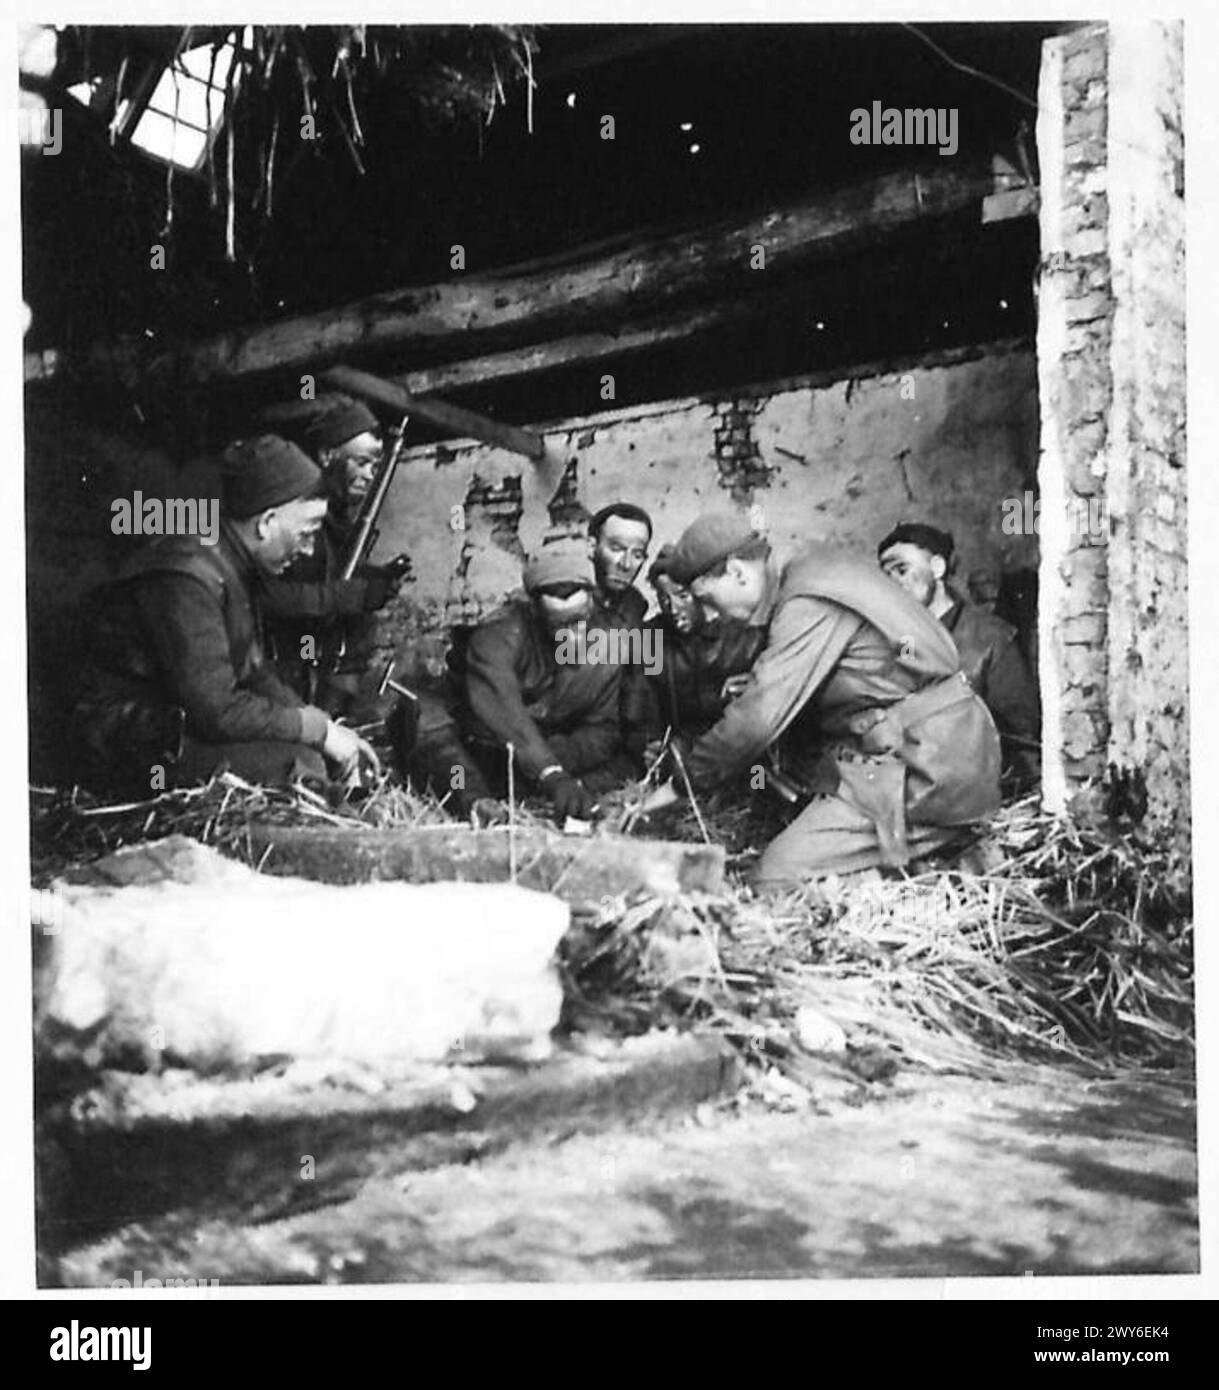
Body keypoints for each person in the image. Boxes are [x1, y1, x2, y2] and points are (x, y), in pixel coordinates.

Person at [653, 511, 1001, 887]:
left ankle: (921, 872)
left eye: (707, 600)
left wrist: (679, 785)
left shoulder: (805, 602)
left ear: (737, 572)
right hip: (929, 751)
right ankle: (917, 865)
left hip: (927, 769)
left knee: (773, 879)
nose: (708, 616)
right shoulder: (813, 571)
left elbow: (756, 723)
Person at [73, 435, 380, 796]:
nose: (309, 547)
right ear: (266, 523)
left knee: (313, 756)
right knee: (295, 769)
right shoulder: (187, 575)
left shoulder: (228, 562)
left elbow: (252, 674)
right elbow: (217, 710)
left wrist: (325, 728)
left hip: (172, 724)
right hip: (130, 737)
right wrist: (315, 733)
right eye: (307, 533)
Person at [408, 541, 624, 823]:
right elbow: (504, 710)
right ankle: (475, 804)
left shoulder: (609, 645)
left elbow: (602, 731)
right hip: (466, 752)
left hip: (527, 762)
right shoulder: (500, 635)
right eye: (560, 625)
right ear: (535, 612)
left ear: (592, 605)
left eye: (579, 621)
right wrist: (550, 773)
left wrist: (554, 765)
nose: (573, 637)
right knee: (432, 725)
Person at [262, 393, 411, 719]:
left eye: (376, 464)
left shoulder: (338, 525)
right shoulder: (289, 515)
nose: (371, 474)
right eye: (362, 462)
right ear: (327, 455)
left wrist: (374, 582)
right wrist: (344, 596)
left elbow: (330, 578)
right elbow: (260, 597)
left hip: (321, 673)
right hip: (274, 675)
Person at [877, 522, 1040, 788]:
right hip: (914, 790)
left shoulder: (991, 638)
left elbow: (1022, 739)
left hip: (977, 791)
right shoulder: (901, 641)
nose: (894, 583)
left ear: (937, 568)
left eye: (902, 569)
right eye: (887, 576)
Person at [643, 544, 766, 742]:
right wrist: (648, 743)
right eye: (663, 598)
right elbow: (643, 708)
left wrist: (754, 689)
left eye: (683, 596)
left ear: (701, 592)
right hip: (675, 751)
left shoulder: (745, 640)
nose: (673, 609)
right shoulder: (652, 640)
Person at [587, 501, 653, 778]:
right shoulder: (566, 600)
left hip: (608, 733)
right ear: (592, 548)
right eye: (616, 549)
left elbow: (646, 673)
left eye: (637, 554)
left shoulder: (636, 605)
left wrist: (648, 738)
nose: (626, 564)